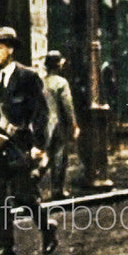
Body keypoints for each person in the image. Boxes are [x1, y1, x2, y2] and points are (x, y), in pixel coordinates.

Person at [0, 26, 56, 255]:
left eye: (0, 47)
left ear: (11, 50)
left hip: (21, 147)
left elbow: (41, 113)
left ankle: (47, 229)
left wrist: (39, 145)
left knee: (24, 197)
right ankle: (6, 248)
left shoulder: (27, 76)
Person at [41, 50, 79, 201]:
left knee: (46, 156)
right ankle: (57, 190)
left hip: (44, 124)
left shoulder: (42, 82)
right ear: (58, 64)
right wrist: (74, 125)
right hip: (58, 125)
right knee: (59, 156)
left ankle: (34, 182)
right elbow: (67, 106)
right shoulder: (61, 83)